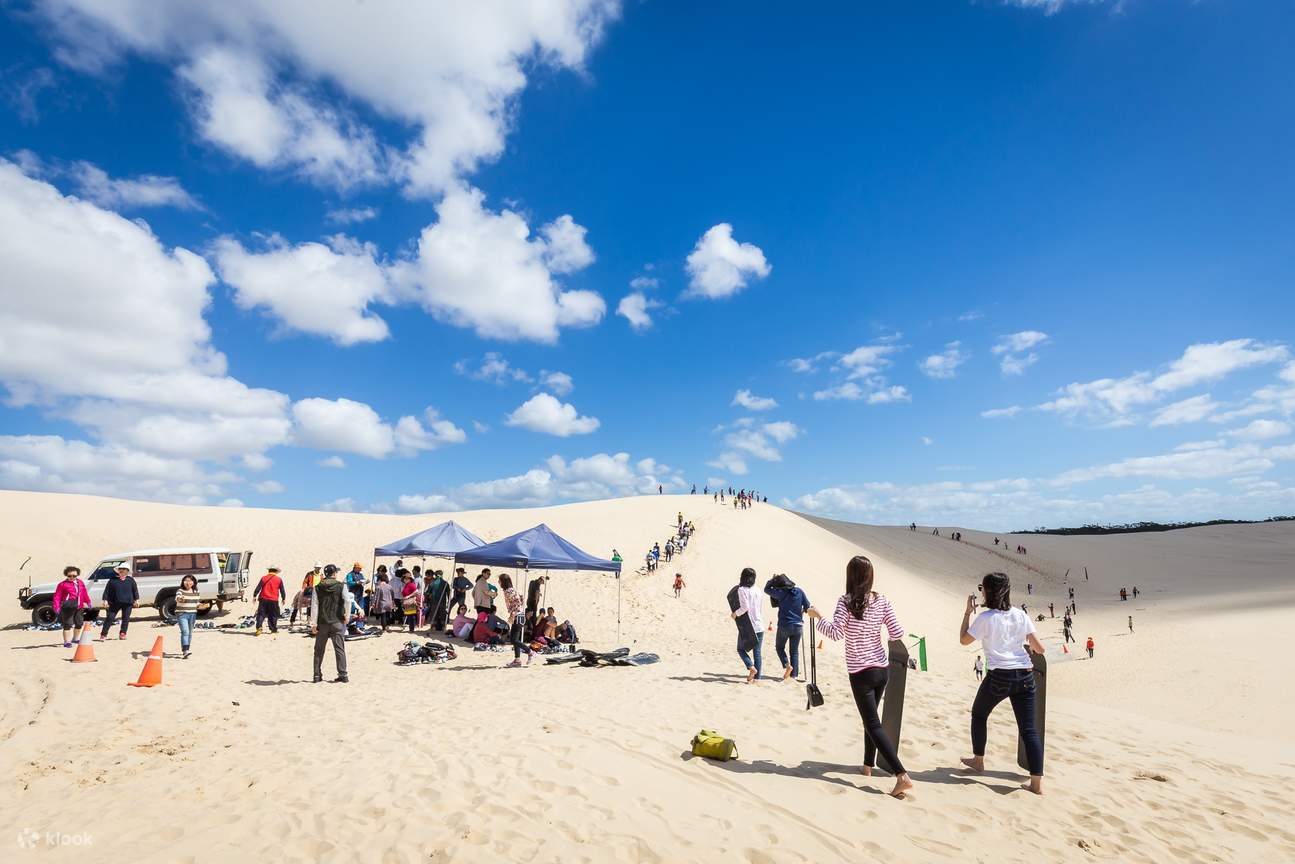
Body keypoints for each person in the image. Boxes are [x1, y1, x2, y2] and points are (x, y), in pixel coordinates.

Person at [805, 556, 912, 797]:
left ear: (850, 576)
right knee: (870, 719)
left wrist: (818, 617)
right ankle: (867, 766)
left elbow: (834, 634)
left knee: (872, 723)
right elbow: (897, 632)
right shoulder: (881, 600)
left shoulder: (845, 602)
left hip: (860, 672)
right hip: (881, 669)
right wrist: (874, 630)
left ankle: (901, 775)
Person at [959, 571, 1045, 795]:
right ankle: (1036, 784)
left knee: (979, 714)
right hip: (1025, 675)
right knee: (1029, 729)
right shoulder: (1020, 614)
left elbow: (964, 640)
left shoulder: (985, 618)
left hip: (999, 676)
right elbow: (1040, 648)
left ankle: (978, 761)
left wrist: (967, 613)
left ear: (987, 591)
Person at [765, 575, 812, 681]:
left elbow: (766, 589)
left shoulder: (781, 593)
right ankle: (794, 676)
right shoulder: (800, 591)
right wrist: (802, 610)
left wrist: (772, 581)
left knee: (779, 647)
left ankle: (787, 666)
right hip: (798, 626)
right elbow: (807, 606)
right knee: (794, 651)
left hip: (784, 625)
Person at [309, 564, 349, 683]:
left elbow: (314, 605)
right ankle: (343, 674)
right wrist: (346, 615)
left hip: (322, 622)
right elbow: (347, 600)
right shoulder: (341, 586)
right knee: (339, 649)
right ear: (334, 573)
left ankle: (317, 675)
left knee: (319, 650)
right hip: (337, 621)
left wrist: (313, 623)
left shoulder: (317, 587)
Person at [731, 568, 764, 683]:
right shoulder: (759, 591)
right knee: (757, 652)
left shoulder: (742, 590)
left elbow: (745, 608)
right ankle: (758, 678)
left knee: (740, 649)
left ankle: (751, 667)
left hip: (748, 626)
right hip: (760, 624)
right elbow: (759, 609)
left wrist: (735, 614)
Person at [98, 564, 139, 640]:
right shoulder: (113, 580)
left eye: (124, 569)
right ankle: (103, 634)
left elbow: (135, 590)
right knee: (110, 618)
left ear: (127, 571)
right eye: (120, 569)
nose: (121, 570)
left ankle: (122, 634)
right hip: (114, 602)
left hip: (128, 603)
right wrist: (105, 600)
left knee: (126, 619)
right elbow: (107, 591)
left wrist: (137, 600)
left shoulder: (131, 580)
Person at [54, 565, 91, 648]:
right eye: (69, 576)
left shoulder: (80, 582)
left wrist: (88, 601)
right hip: (68, 606)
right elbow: (57, 596)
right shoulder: (62, 584)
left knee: (79, 623)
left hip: (79, 606)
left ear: (77, 575)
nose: (72, 577)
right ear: (66, 575)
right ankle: (67, 642)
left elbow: (84, 593)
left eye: (74, 576)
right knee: (68, 624)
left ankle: (75, 639)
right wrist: (56, 606)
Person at [500, 574, 532, 668]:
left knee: (513, 639)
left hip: (517, 615)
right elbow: (520, 599)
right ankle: (517, 660)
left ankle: (530, 652)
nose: (499, 583)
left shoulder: (508, 591)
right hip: (520, 615)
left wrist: (512, 615)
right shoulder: (512, 590)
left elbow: (517, 602)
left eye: (500, 581)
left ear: (503, 582)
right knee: (515, 639)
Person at [251, 566, 287, 635]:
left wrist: (254, 596)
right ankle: (273, 629)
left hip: (263, 599)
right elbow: (282, 590)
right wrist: (283, 598)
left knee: (261, 614)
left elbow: (258, 588)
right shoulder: (279, 579)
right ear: (276, 571)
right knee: (273, 615)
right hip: (274, 600)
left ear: (269, 571)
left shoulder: (264, 578)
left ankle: (259, 627)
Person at [175, 574, 200, 658]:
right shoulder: (180, 590)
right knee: (185, 632)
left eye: (190, 581)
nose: (188, 582)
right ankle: (185, 651)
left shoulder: (196, 592)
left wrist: (202, 605)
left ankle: (186, 649)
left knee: (190, 633)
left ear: (193, 582)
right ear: (183, 582)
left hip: (193, 614)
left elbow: (196, 603)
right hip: (182, 614)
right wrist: (181, 599)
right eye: (185, 580)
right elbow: (177, 598)